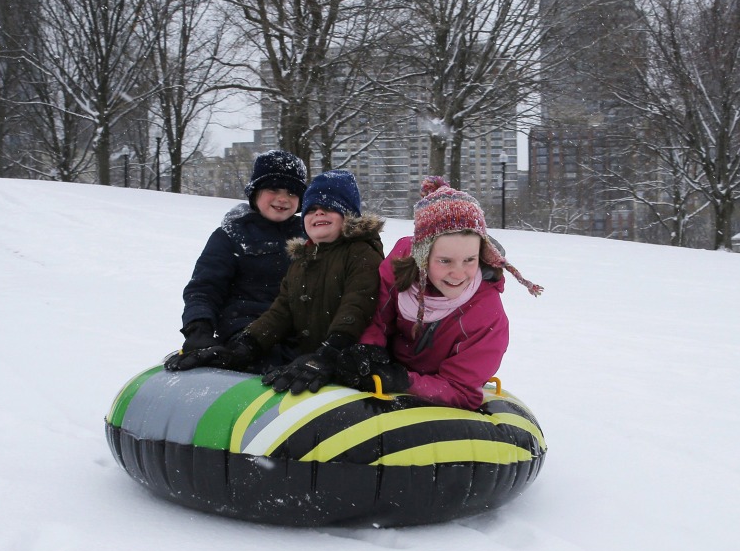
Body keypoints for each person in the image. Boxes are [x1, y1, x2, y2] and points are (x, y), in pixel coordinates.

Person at [170, 169, 386, 397]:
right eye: (311, 209)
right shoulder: (302, 257)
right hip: (273, 341)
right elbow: (280, 312)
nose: (319, 212)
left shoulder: (361, 253)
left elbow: (357, 305)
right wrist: (243, 346)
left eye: (330, 207)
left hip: (341, 354)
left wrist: (330, 352)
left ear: (350, 215)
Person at [335, 176, 543, 410]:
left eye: (469, 260)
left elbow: (461, 389)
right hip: (391, 362)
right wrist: (369, 347)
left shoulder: (487, 316)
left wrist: (404, 381)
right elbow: (376, 315)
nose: (458, 273)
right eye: (445, 260)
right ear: (423, 256)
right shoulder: (399, 265)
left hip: (434, 389)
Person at [164, 150, 308, 372]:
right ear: (255, 192)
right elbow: (205, 287)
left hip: (299, 337)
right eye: (273, 189)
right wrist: (198, 330)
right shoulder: (233, 234)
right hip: (245, 336)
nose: (283, 198)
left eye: (291, 192)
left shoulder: (310, 234)